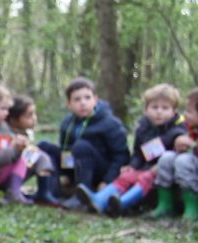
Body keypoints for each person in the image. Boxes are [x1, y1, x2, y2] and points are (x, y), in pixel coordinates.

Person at [77, 83, 186, 216]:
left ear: (174, 111)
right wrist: (132, 165)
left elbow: (173, 153)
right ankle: (99, 200)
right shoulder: (143, 128)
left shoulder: (177, 131)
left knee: (146, 178)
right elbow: (138, 153)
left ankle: (121, 204)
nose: (159, 112)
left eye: (165, 108)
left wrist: (157, 166)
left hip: (160, 173)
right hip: (143, 167)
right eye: (154, 107)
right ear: (146, 109)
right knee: (126, 176)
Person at [37, 77, 130, 210]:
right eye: (77, 99)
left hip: (101, 170)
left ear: (95, 100)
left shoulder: (110, 123)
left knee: (81, 146)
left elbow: (121, 156)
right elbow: (66, 153)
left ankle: (82, 196)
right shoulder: (67, 123)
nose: (83, 103)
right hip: (76, 165)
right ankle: (50, 192)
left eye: (87, 98)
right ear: (69, 104)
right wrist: (67, 173)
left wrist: (107, 181)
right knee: (44, 146)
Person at [152, 88, 198, 220]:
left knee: (183, 161)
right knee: (166, 158)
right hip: (189, 162)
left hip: (190, 167)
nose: (185, 114)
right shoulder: (190, 127)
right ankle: (165, 204)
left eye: (189, 111)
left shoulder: (178, 127)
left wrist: (192, 145)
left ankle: (192, 207)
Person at [7, 95, 60, 206]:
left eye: (34, 114)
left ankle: (45, 191)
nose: (34, 118)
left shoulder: (26, 133)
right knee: (41, 153)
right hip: (7, 172)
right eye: (29, 115)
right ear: (14, 120)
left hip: (19, 170)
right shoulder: (8, 135)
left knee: (42, 154)